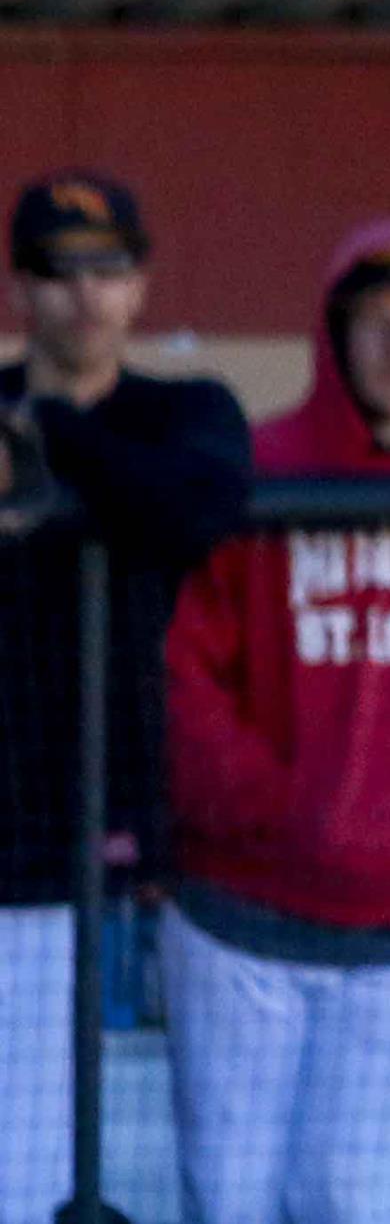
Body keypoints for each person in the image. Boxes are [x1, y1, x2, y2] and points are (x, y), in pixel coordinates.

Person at [161, 220, 390, 1223]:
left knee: (354, 1202)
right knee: (228, 1200)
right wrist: (282, 809)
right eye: (378, 323)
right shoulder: (257, 471)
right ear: (334, 338)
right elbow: (184, 678)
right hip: (239, 923)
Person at [0, 172, 250, 1224]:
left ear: (142, 281)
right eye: (60, 271)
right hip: (12, 836)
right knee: (22, 1149)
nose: (86, 296)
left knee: (146, 1147)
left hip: (154, 832)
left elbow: (196, 504)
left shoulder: (181, 409)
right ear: (23, 288)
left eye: (108, 268)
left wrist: (48, 431)